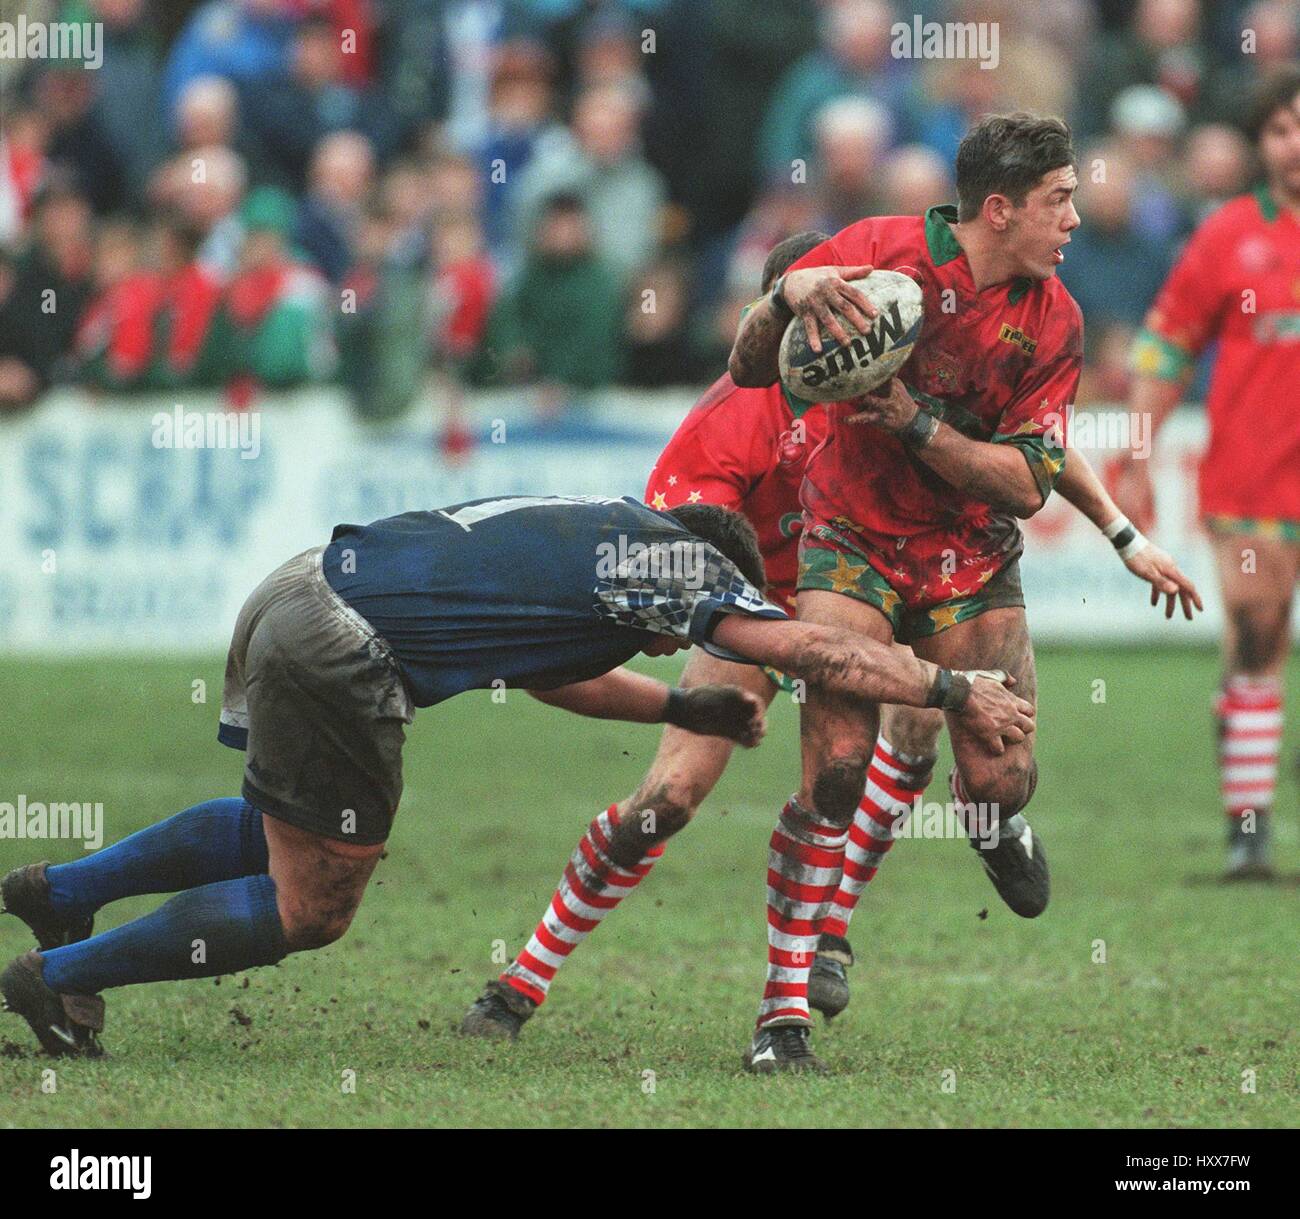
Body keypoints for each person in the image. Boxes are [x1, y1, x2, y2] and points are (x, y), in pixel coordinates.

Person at [463, 229, 1202, 1043]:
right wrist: (735, 643)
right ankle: (521, 979)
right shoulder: (731, 421)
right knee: (669, 799)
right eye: (825, 304)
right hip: (752, 610)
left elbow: (1032, 446)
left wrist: (1126, 537)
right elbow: (681, 556)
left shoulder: (892, 373)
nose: (845, 324)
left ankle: (840, 923)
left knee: (911, 726)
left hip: (876, 586)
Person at [0, 495, 1032, 1057]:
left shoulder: (593, 532)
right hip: (346, 644)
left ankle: (63, 896)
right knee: (316, 897)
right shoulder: (682, 563)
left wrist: (680, 707)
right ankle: (55, 984)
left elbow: (558, 677)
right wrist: (952, 691)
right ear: (710, 571)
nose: (697, 645)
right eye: (704, 632)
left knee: (276, 824)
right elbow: (814, 653)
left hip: (297, 586)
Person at [726, 110, 1086, 1074]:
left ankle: (995, 821)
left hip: (971, 554)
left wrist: (915, 422)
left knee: (999, 772)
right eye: (1060, 201)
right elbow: (746, 368)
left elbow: (1026, 483)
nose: (1075, 220)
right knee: (836, 768)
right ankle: (782, 1013)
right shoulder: (875, 255)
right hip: (849, 535)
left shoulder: (1055, 318)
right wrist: (789, 291)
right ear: (999, 210)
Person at [1113, 69, 1300, 880]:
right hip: (1252, 475)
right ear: (1262, 144)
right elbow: (1167, 344)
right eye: (1281, 129)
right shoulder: (1228, 234)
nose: (1295, 145)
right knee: (1260, 626)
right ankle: (1249, 830)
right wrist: (1139, 449)